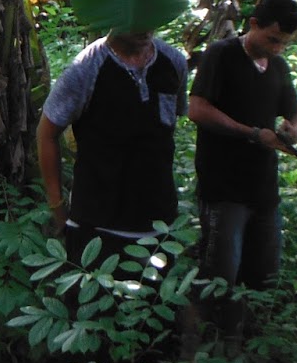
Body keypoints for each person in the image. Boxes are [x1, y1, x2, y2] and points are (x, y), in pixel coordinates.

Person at [188, 0, 297, 317]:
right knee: (220, 276)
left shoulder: (278, 66)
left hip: (264, 191)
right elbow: (197, 109)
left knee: (263, 277)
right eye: (273, 39)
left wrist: (295, 130)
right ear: (253, 24)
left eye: (284, 43)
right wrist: (252, 133)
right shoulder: (221, 55)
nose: (277, 48)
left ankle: (250, 337)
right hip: (223, 189)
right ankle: (210, 336)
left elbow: (296, 113)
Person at [36, 29, 188, 265]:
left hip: (159, 224)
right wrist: (58, 207)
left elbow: (166, 128)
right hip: (97, 226)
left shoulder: (173, 62)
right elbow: (46, 134)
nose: (143, 26)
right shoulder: (87, 67)